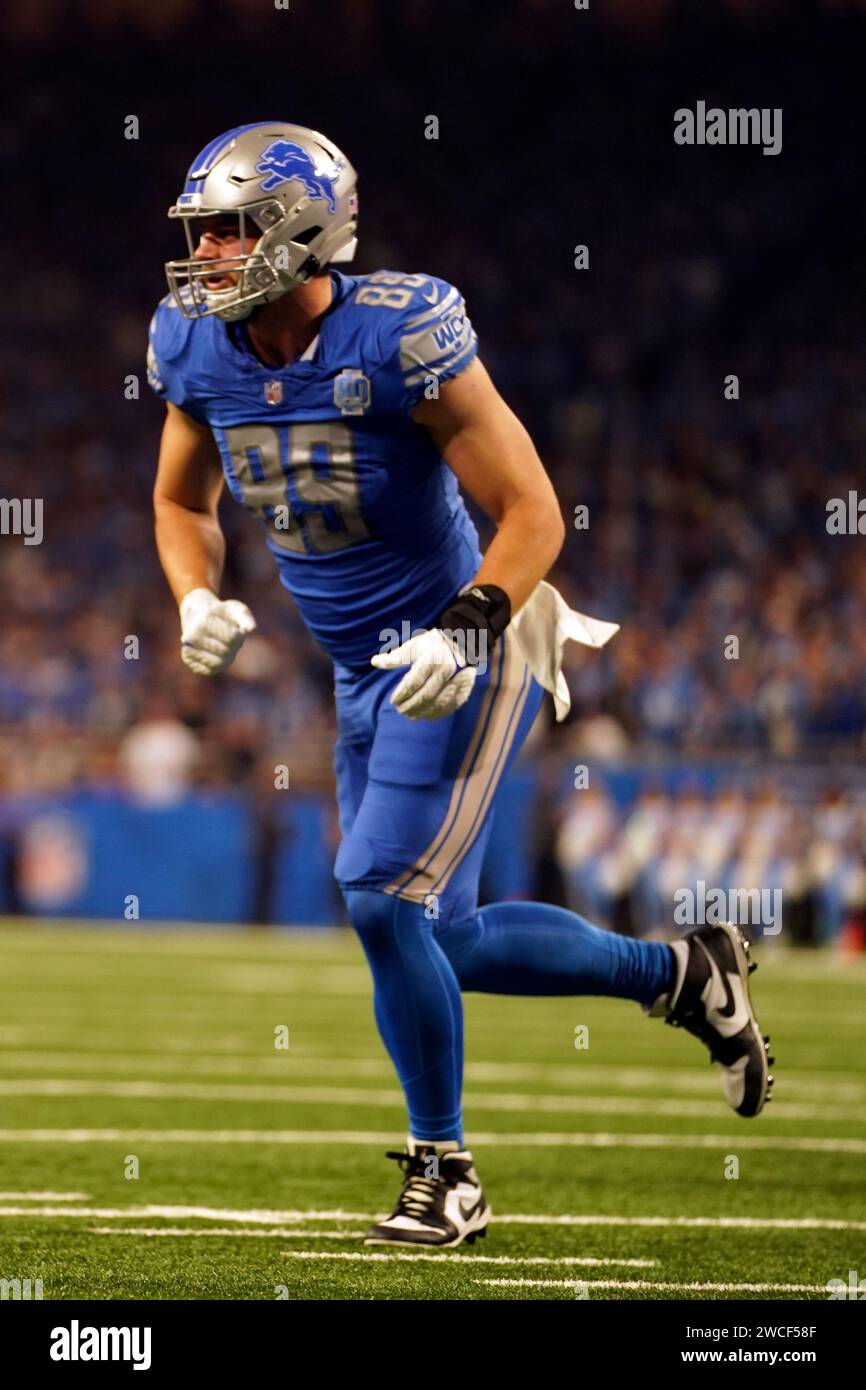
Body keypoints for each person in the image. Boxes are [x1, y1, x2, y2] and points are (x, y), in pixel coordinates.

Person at [149, 121, 772, 1249]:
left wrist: (465, 625)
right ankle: (683, 973)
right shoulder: (193, 346)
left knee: (380, 896)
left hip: (469, 647)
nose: (208, 254)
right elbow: (182, 502)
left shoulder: (400, 332)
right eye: (202, 231)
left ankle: (446, 1172)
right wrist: (195, 596)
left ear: (302, 230)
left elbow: (532, 510)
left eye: (232, 230)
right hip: (361, 669)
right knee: (449, 935)